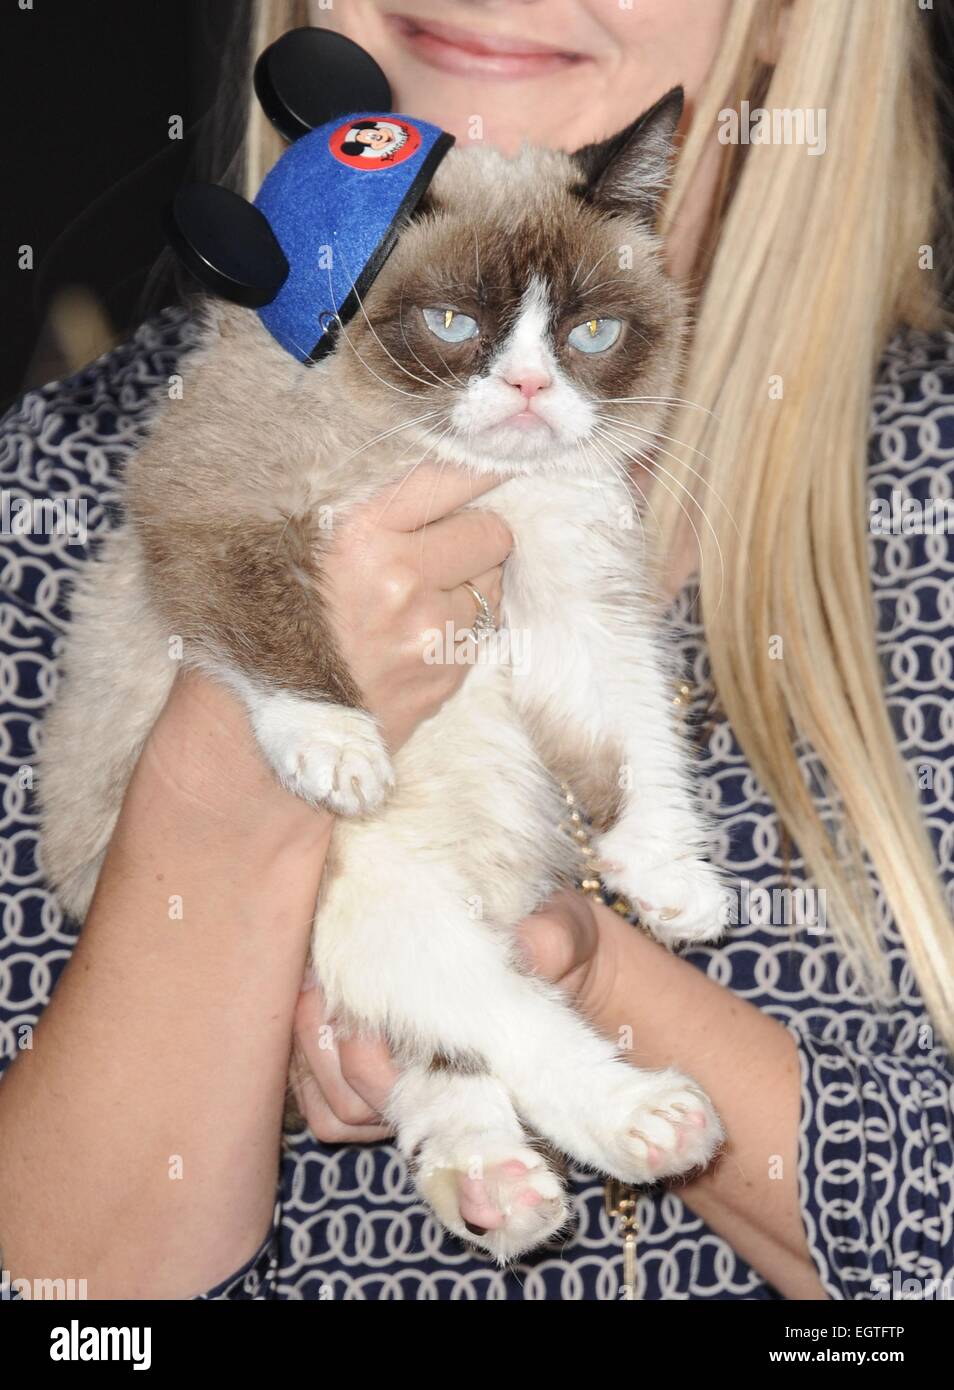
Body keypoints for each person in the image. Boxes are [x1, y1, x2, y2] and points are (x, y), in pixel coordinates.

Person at [0, 0, 952, 1301]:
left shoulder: (928, 500)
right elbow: (58, 1308)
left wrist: (580, 972)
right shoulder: (49, 493)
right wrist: (227, 790)